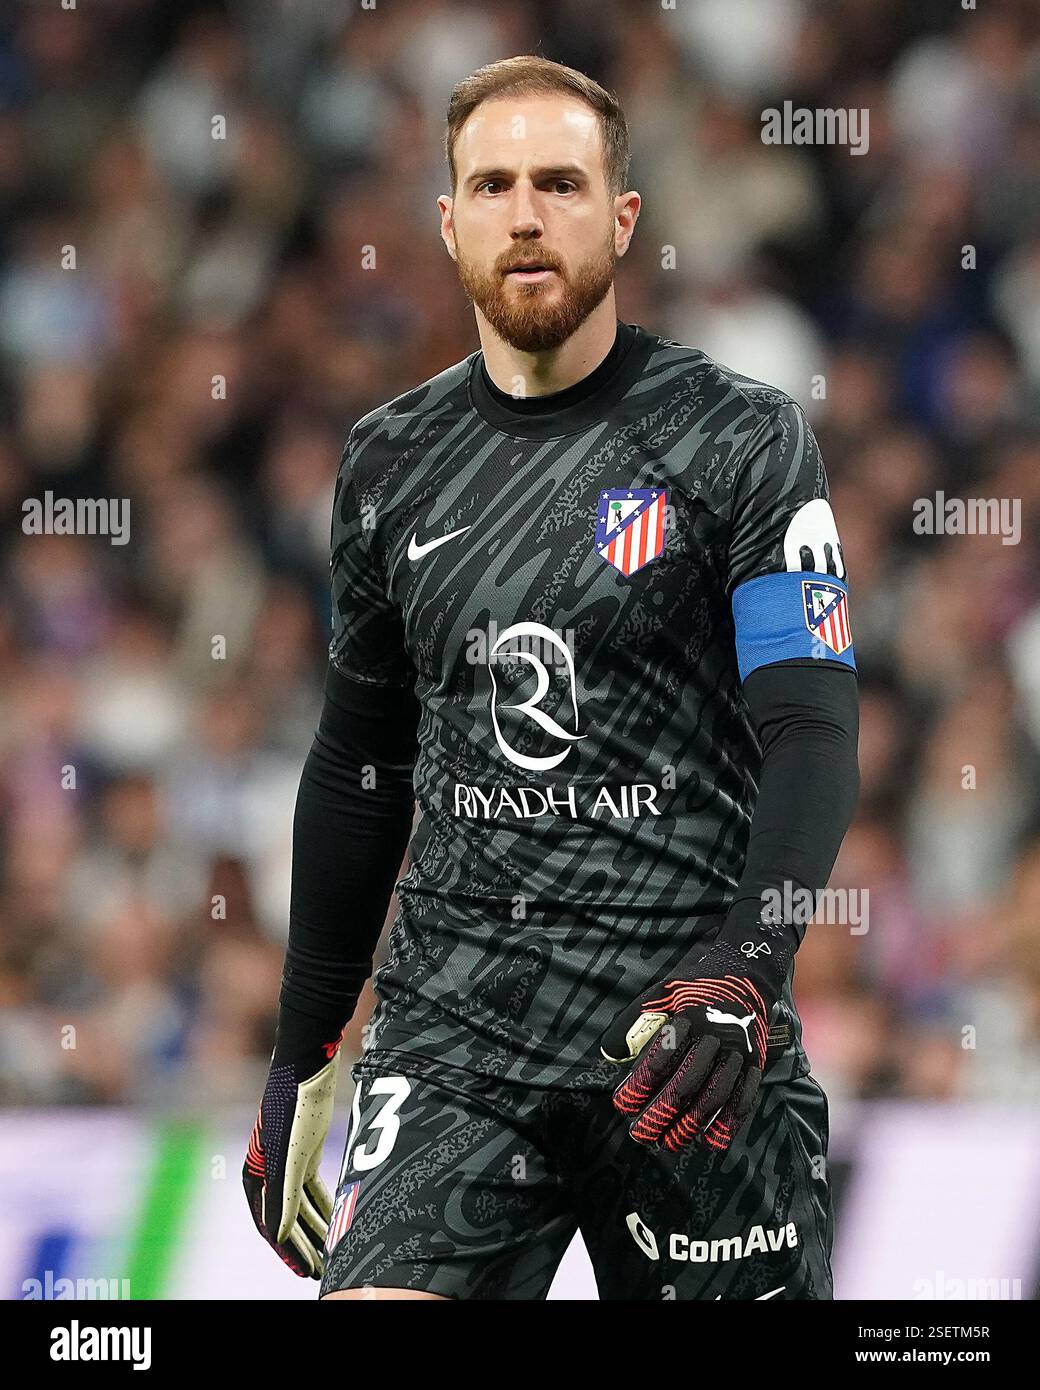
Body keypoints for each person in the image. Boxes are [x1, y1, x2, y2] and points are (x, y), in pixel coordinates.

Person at [243, 54, 859, 1301]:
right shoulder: (388, 463)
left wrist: (749, 966)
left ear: (620, 218)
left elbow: (809, 728)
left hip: (682, 1041)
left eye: (561, 183)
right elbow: (362, 766)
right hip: (455, 1033)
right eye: (493, 185)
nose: (526, 215)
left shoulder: (736, 437)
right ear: (449, 219)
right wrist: (305, 1040)